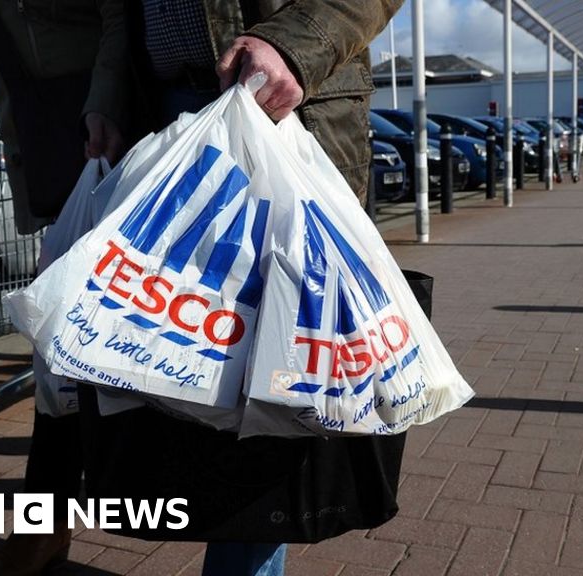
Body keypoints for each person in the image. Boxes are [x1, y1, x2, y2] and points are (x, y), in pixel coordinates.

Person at [117, 2, 401, 574]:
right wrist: (106, 100)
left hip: (281, 97)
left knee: (273, 382)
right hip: (164, 109)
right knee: (183, 359)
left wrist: (295, 45)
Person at [0, 1, 128, 574]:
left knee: (97, 352)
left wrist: (104, 103)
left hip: (106, 130)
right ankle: (47, 520)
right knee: (62, 358)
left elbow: (118, 16)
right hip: (58, 145)